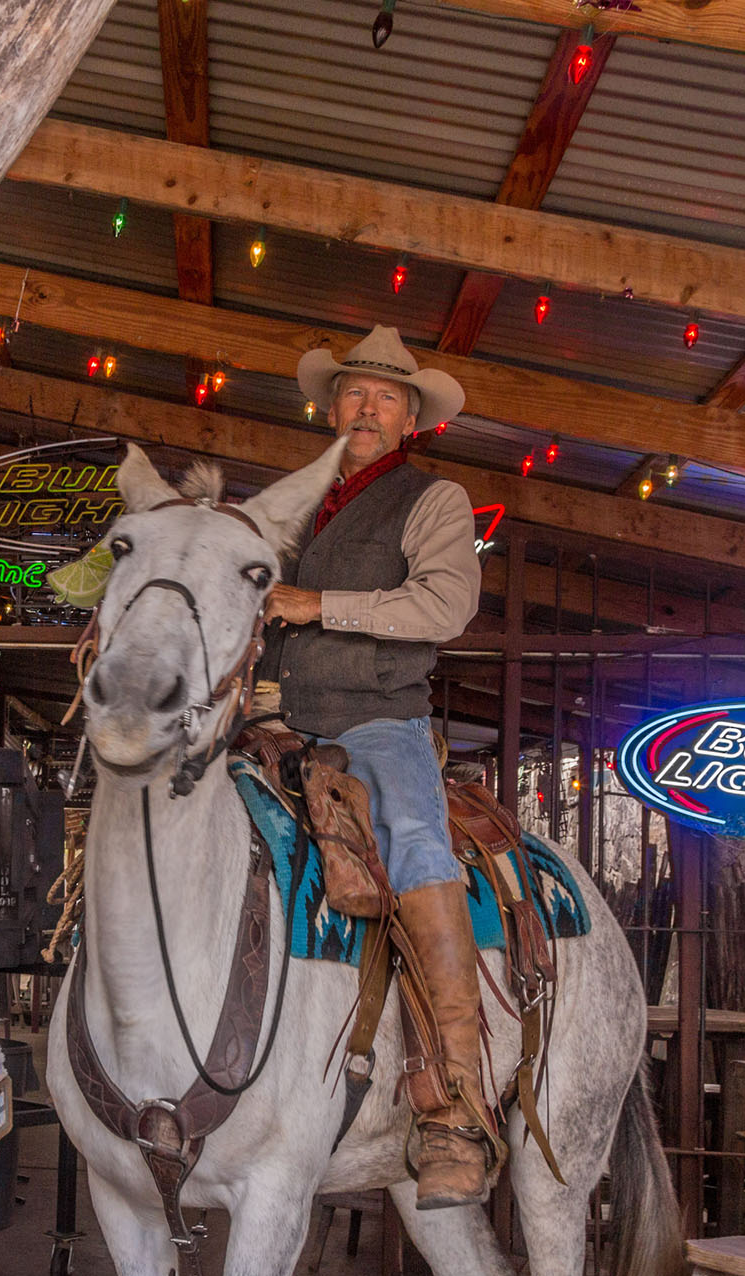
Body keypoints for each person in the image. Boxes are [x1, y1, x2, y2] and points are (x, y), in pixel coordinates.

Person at [260, 326, 491, 1210]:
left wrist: (319, 604)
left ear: (410, 419)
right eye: (354, 392)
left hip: (377, 719)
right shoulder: (293, 501)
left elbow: (446, 605)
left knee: (416, 837)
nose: (367, 408)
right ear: (331, 407)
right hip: (275, 720)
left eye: (386, 397)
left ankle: (453, 1106)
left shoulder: (434, 500)